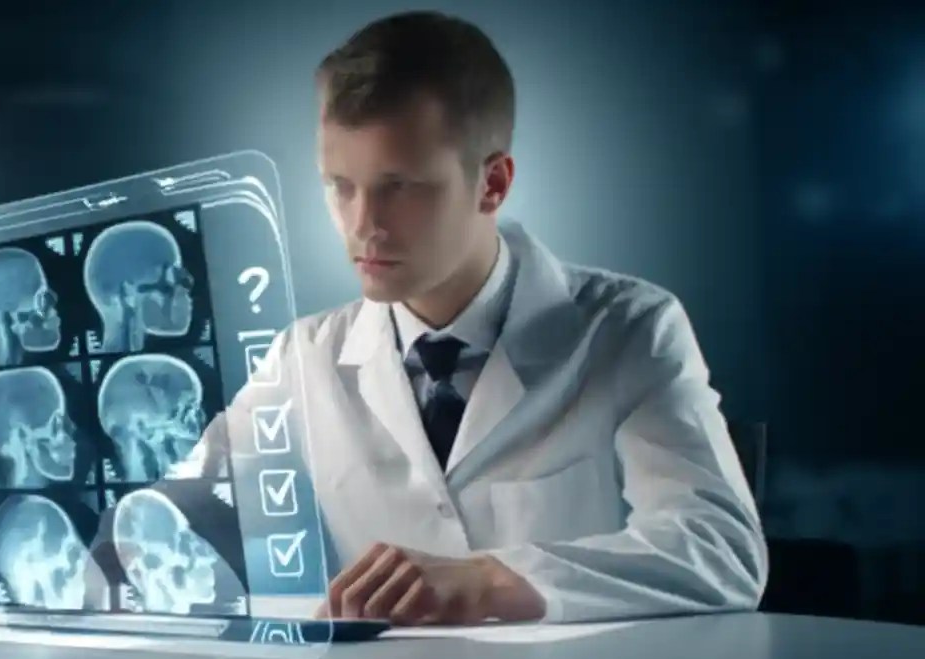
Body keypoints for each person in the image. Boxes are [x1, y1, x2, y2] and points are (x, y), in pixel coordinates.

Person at [196, 10, 768, 626]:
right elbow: (171, 523)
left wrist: (492, 580)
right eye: (340, 185)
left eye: (402, 186)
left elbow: (721, 551)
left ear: (492, 184)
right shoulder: (303, 358)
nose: (362, 225)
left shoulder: (628, 329)